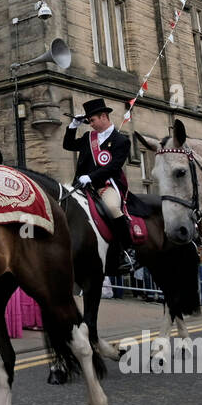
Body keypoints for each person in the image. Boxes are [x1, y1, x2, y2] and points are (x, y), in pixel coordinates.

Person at [63, 98, 134, 273]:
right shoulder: (88, 138)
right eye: (88, 121)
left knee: (112, 208)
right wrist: (72, 126)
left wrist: (91, 177)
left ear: (103, 116)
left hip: (105, 186)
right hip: (82, 186)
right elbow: (68, 145)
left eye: (92, 120)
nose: (91, 124)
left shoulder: (121, 140)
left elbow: (114, 166)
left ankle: (127, 250)